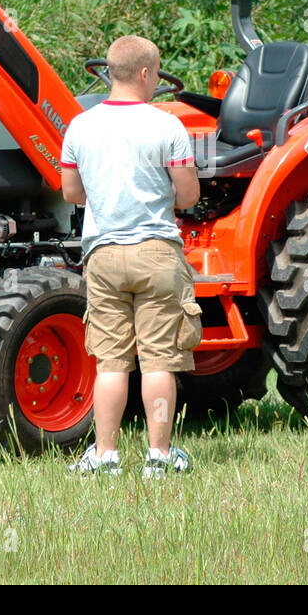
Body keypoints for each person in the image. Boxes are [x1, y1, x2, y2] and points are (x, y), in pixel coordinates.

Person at [60, 34, 202, 477]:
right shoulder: (167, 127)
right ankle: (158, 459)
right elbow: (188, 195)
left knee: (111, 361)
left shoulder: (79, 126)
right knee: (159, 360)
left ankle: (106, 457)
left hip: (102, 254)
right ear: (145, 74)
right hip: (156, 254)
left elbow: (71, 193)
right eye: (156, 73)